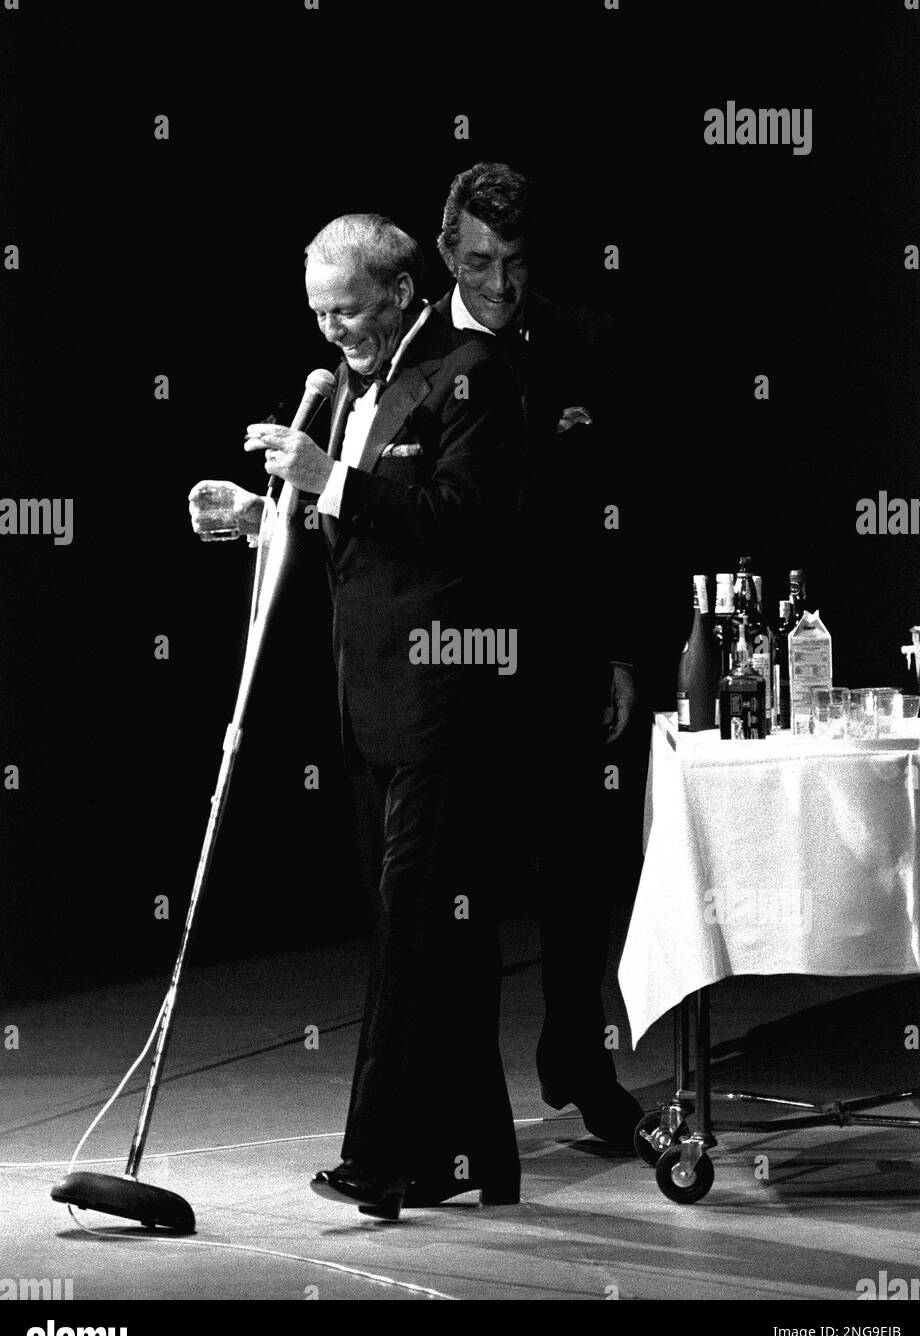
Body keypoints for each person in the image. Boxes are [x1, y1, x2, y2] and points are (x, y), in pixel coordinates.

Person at [190, 213, 526, 1220]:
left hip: (445, 695)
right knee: (434, 930)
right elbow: (358, 535)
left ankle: (383, 1156)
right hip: (370, 701)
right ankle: (473, 1154)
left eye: (350, 308)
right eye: (319, 313)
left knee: (414, 928)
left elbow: (458, 525)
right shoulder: (348, 393)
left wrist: (323, 478)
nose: (334, 329)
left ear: (402, 289)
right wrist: (263, 519)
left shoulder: (474, 372)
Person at [433, 162, 646, 1148]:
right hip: (452, 661)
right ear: (446, 252)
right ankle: (465, 1101)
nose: (500, 284)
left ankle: (580, 1061)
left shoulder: (584, 342)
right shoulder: (414, 356)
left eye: (516, 263)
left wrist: (616, 649)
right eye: (480, 261)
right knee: (460, 892)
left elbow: (617, 517)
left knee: (575, 879)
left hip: (559, 652)